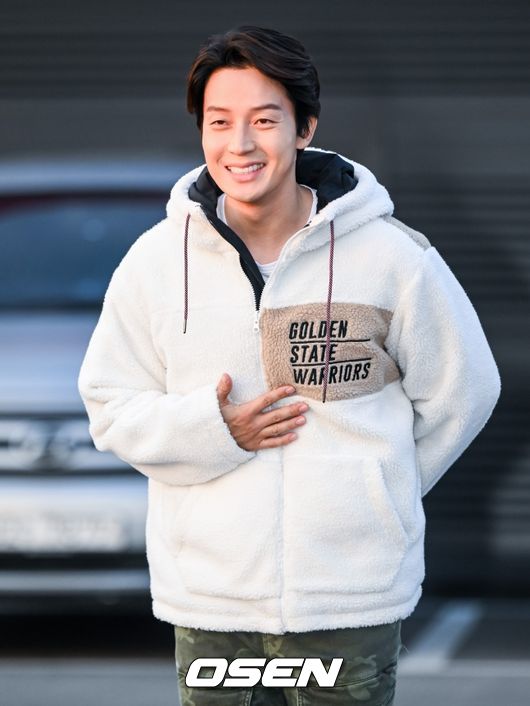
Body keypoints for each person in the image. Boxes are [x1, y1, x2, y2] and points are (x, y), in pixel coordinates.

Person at [77, 25, 501, 705]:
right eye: (219, 122)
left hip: (349, 599)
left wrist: (376, 492)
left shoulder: (392, 258)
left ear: (305, 128)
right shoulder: (156, 262)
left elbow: (465, 391)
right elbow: (110, 401)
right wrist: (216, 430)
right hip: (211, 600)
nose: (240, 144)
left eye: (264, 120)